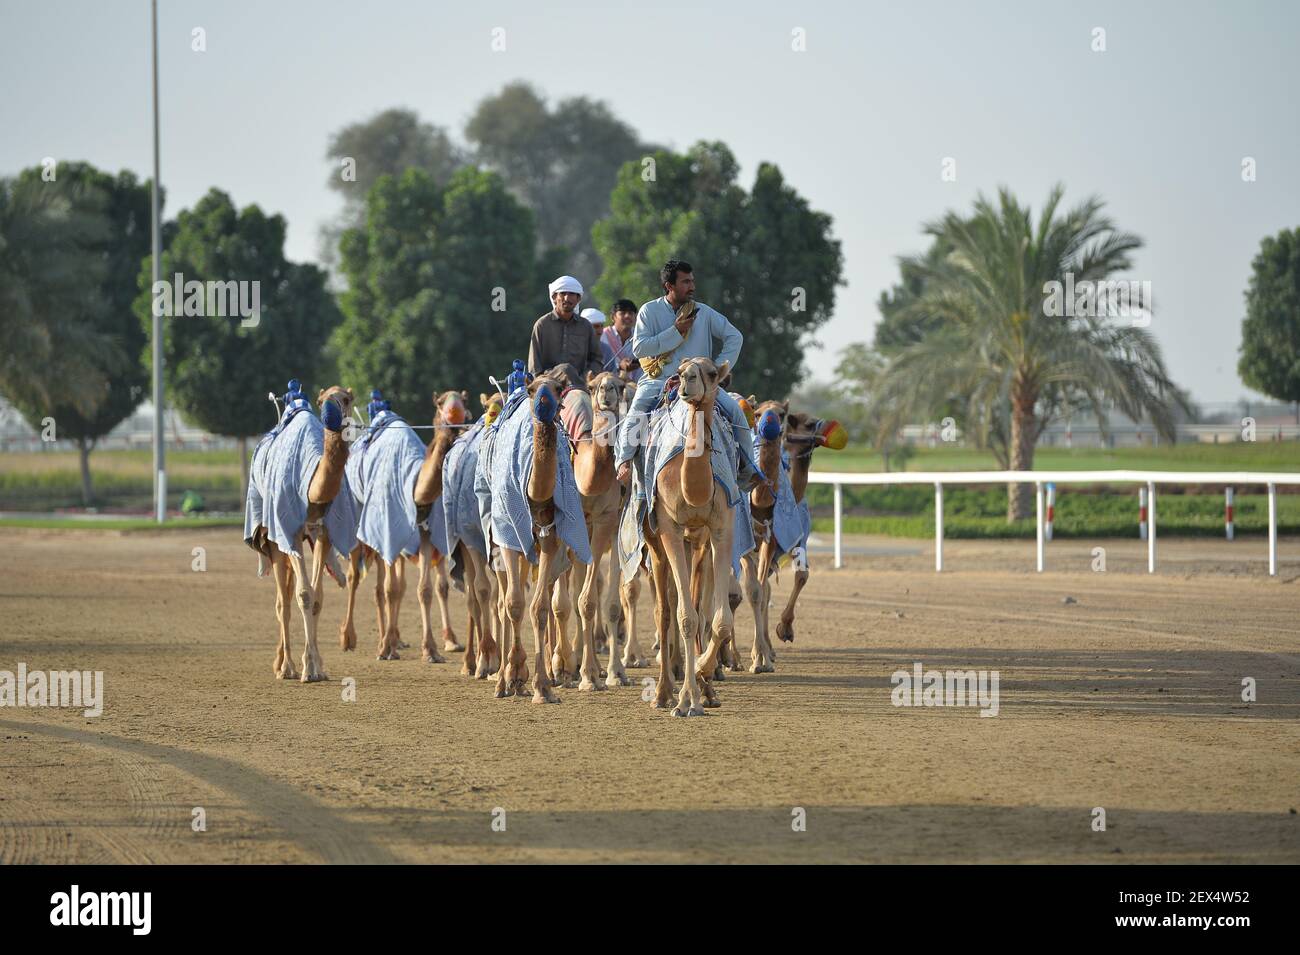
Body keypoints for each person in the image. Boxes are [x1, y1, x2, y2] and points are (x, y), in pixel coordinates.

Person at [615, 259, 758, 490]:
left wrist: (716, 371)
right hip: (659, 380)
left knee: (737, 413)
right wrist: (676, 332)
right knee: (637, 412)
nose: (692, 286)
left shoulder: (705, 313)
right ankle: (623, 461)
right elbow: (639, 348)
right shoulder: (649, 311)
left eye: (692, 281)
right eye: (685, 282)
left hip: (701, 383)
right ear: (669, 286)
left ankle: (749, 469)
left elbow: (735, 337)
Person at [527, 275, 603, 379]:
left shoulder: (586, 326)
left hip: (579, 384)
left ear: (578, 299)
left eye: (571, 294)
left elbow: (597, 359)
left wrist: (587, 376)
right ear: (554, 297)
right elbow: (535, 365)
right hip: (549, 384)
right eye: (562, 294)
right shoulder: (542, 325)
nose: (567, 298)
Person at [599, 298, 641, 382]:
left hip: (637, 385)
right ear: (613, 317)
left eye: (630, 313)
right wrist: (619, 367)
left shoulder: (640, 336)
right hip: (609, 386)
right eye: (623, 313)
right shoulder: (603, 336)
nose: (627, 316)